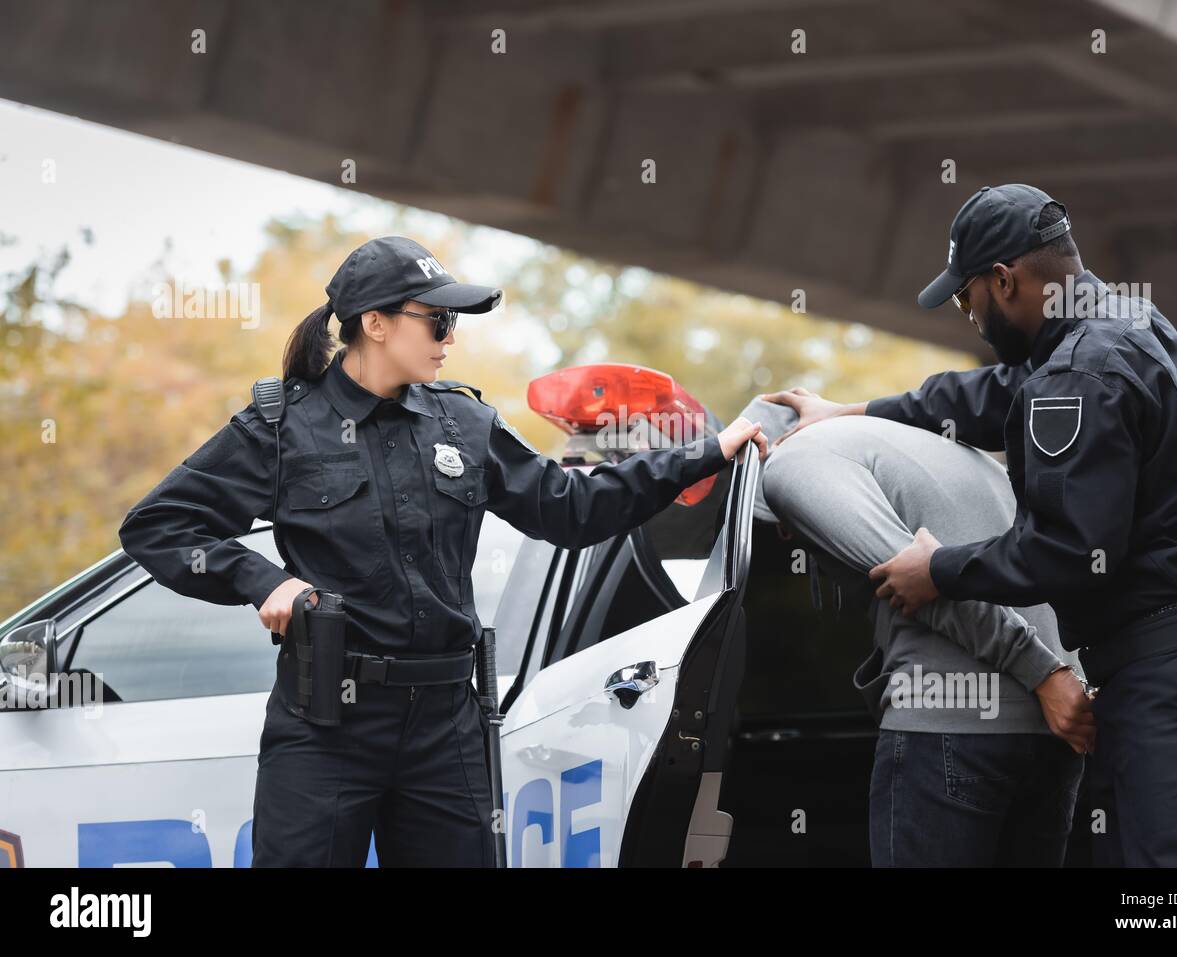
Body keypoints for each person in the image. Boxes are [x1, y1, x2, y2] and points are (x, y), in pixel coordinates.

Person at [118, 235, 767, 867]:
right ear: (374, 323)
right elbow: (160, 526)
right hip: (326, 722)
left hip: (447, 725)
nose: (450, 338)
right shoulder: (283, 428)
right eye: (437, 320)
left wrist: (705, 453)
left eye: (452, 321)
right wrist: (263, 580)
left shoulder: (466, 423)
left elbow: (573, 509)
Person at [762, 185, 1177, 866]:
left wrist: (937, 571)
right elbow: (998, 396)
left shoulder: (1082, 371)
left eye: (965, 296)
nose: (968, 314)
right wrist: (855, 410)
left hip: (1175, 671)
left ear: (1005, 281)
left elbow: (1071, 549)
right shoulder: (1124, 322)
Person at [742, 396, 1090, 866]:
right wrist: (1057, 676)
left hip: (956, 728)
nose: (786, 534)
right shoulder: (940, 448)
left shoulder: (792, 464)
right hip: (1056, 732)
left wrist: (1044, 674)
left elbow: (930, 582)